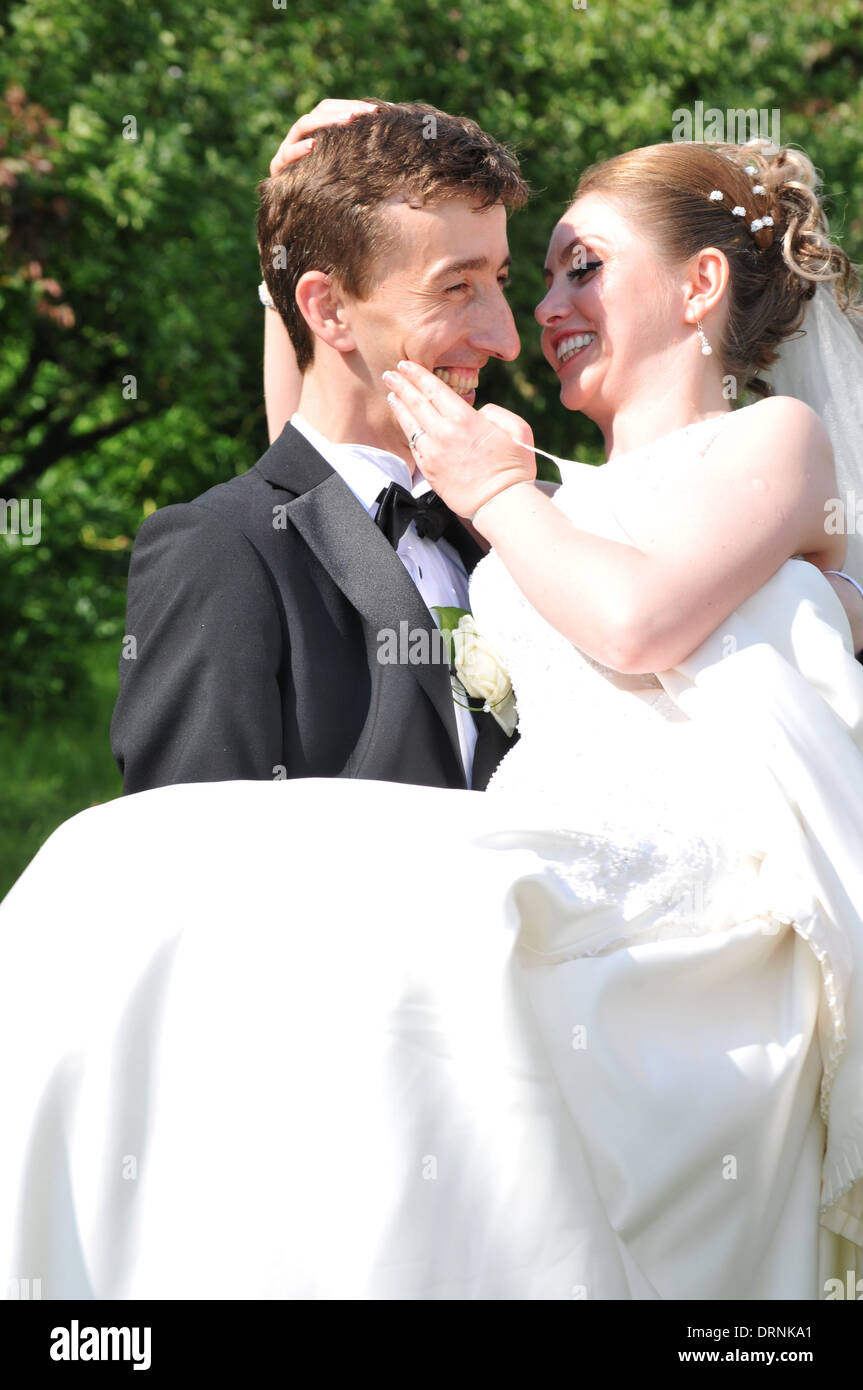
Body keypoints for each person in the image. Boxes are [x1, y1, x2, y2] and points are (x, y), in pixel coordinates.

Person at [2, 134, 863, 1301]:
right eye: (522, 277)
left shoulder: (751, 444)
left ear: (699, 285)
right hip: (548, 866)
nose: (536, 315)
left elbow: (635, 620)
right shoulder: (547, 491)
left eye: (576, 270)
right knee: (131, 865)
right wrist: (300, 235)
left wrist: (825, 595)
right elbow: (313, 480)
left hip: (668, 891)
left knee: (431, 911)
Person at [109, 100, 528, 796]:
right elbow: (187, 866)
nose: (505, 340)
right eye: (457, 286)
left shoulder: (513, 527)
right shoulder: (221, 548)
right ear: (329, 309)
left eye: (500, 281)